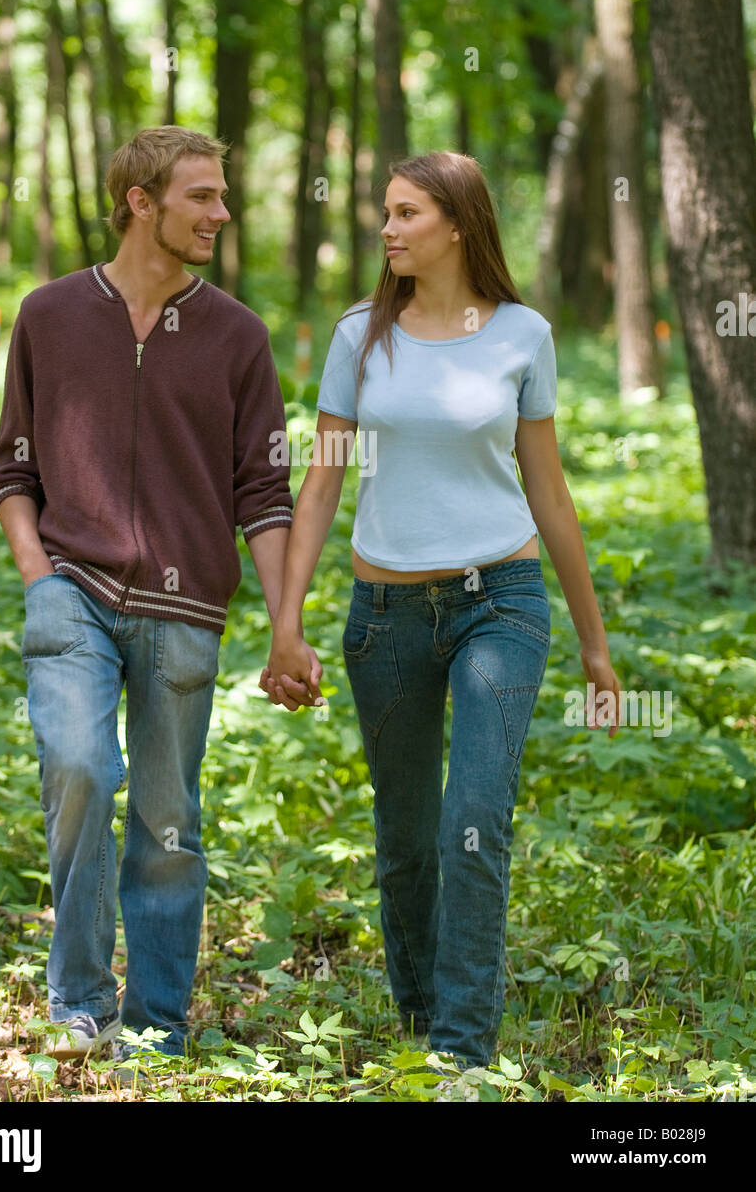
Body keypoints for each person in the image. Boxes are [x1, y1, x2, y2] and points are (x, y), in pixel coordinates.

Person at [261, 150, 621, 1073]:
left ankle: (464, 1053)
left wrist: (595, 645)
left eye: (406, 212)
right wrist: (286, 620)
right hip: (384, 616)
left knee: (474, 817)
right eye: (385, 212)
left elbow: (549, 492)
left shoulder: (523, 335)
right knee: (407, 837)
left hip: (499, 600)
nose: (387, 229)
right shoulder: (358, 336)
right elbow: (321, 484)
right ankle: (421, 1020)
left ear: (457, 224)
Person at [0, 125, 315, 1062]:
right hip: (72, 594)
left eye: (221, 195)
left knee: (168, 820)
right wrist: (40, 582)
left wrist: (284, 624)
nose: (221, 213)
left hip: (185, 613)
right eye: (201, 196)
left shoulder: (238, 336)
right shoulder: (49, 315)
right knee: (83, 770)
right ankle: (81, 1002)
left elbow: (264, 494)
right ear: (141, 201)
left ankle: (159, 1023)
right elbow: (12, 466)